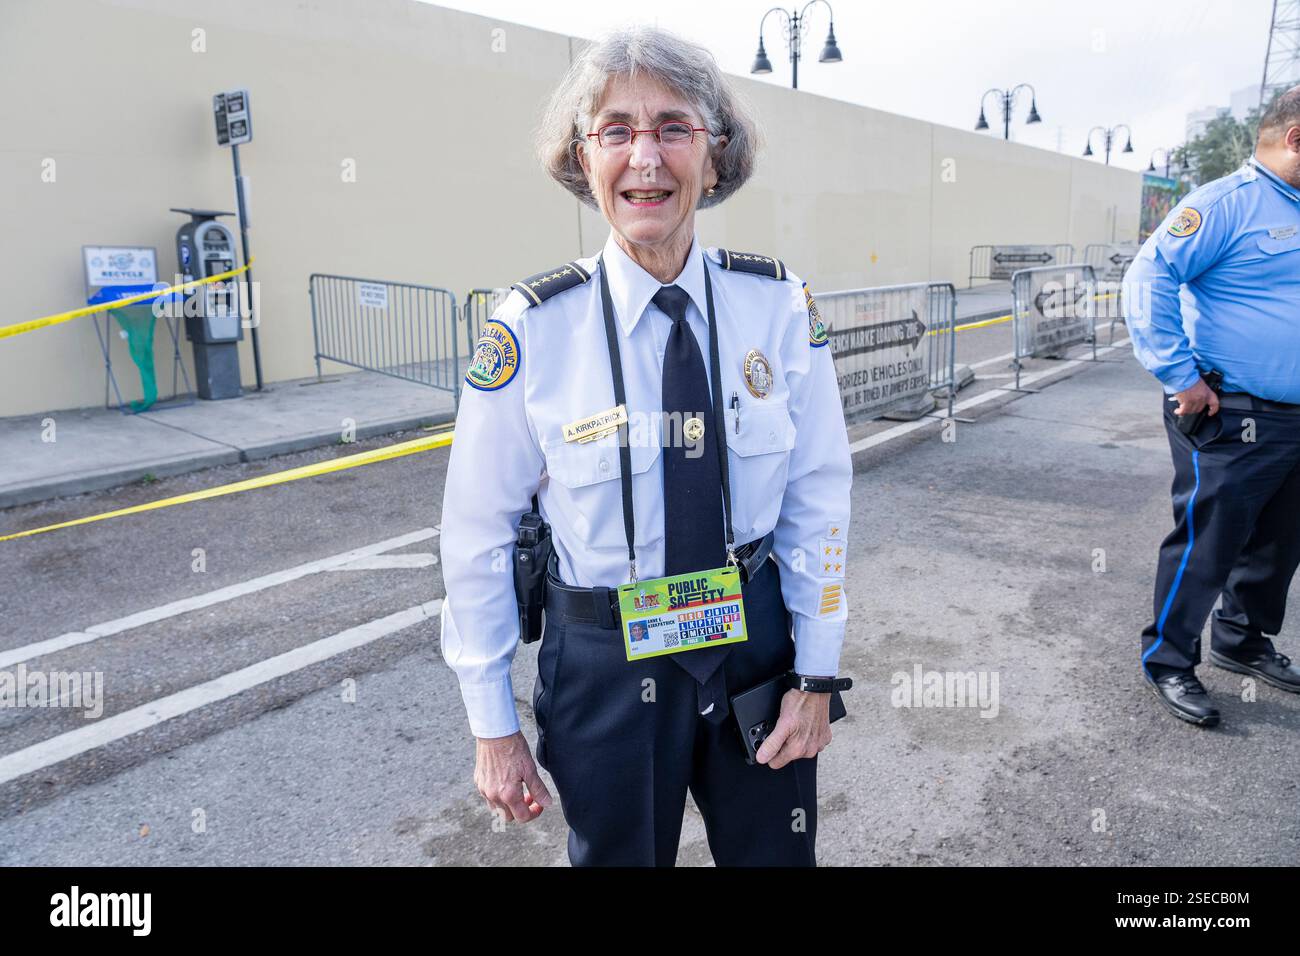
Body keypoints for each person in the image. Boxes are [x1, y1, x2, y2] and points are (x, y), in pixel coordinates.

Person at [438, 26, 852, 865]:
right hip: (606, 662)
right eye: (616, 130)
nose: (646, 158)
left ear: (714, 153)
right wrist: (493, 726)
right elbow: (475, 532)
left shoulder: (778, 307)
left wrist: (816, 677)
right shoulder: (532, 329)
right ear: (582, 159)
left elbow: (818, 499)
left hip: (753, 645)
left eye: (673, 127)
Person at [1122, 85, 1300, 727]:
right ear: (1295, 139)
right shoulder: (1228, 203)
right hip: (1234, 411)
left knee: (1281, 543)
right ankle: (1169, 660)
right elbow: (1148, 279)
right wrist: (1181, 375)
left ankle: (1241, 640)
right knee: (1208, 542)